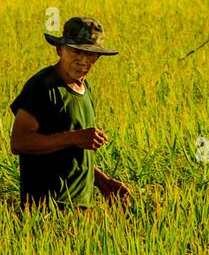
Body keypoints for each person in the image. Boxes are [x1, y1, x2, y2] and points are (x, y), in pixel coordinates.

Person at [9, 15, 132, 208]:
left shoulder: (84, 89)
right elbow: (19, 142)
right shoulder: (43, 87)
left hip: (81, 207)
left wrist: (103, 182)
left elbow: (72, 152)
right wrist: (74, 137)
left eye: (90, 54)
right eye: (75, 51)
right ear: (60, 49)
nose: (82, 60)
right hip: (47, 207)